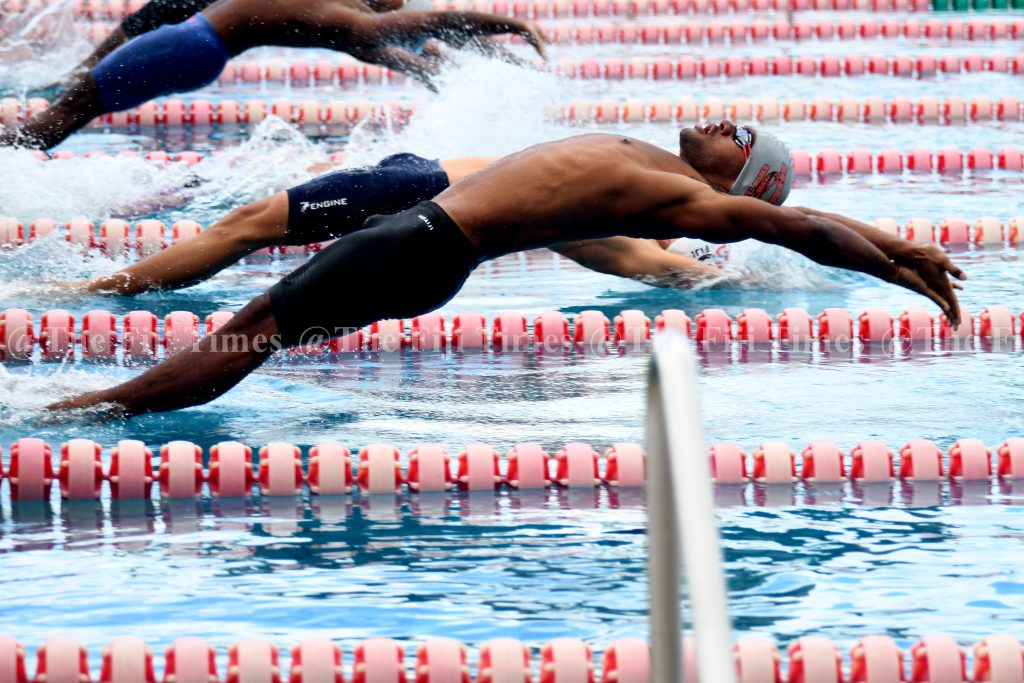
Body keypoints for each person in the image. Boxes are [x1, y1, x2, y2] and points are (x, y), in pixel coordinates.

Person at [48, 123, 966, 417]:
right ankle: (95, 406)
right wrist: (895, 240)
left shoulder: (688, 203)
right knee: (255, 333)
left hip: (422, 245)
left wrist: (894, 269)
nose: (725, 120)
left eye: (740, 136)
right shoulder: (658, 164)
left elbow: (794, 226)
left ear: (739, 178)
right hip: (422, 244)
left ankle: (73, 414)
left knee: (248, 333)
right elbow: (799, 215)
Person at [77, 154, 725, 296]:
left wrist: (714, 272)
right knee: (250, 223)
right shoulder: (604, 217)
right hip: (419, 182)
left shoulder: (602, 224)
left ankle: (97, 291)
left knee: (248, 225)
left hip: (419, 187)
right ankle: (111, 286)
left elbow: (648, 261)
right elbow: (652, 262)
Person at [0, 0, 546, 150]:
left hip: (185, 45)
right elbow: (408, 38)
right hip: (190, 51)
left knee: (55, 121)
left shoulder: (339, 16)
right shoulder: (340, 17)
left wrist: (498, 34)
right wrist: (502, 29)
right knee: (59, 120)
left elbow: (418, 31)